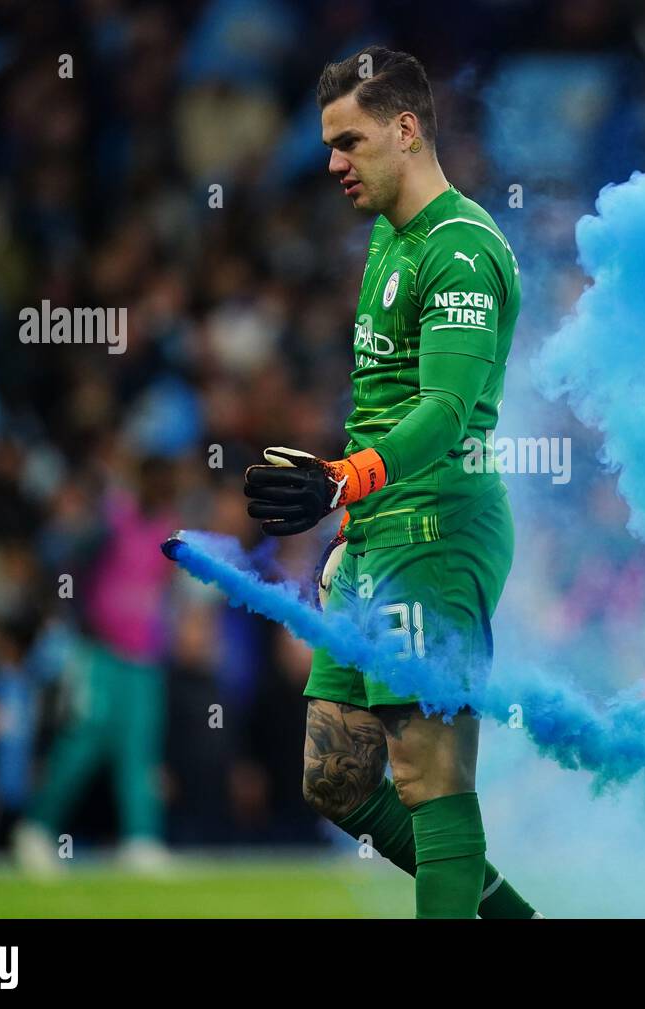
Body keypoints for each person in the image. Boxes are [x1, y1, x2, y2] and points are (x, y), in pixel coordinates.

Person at [243, 46, 539, 919]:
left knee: (425, 775)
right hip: (377, 529)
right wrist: (350, 525)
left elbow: (446, 410)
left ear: (406, 130)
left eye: (349, 141)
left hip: (440, 533)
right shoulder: (387, 234)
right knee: (333, 778)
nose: (333, 163)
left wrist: (344, 481)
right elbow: (384, 400)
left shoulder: (461, 252)